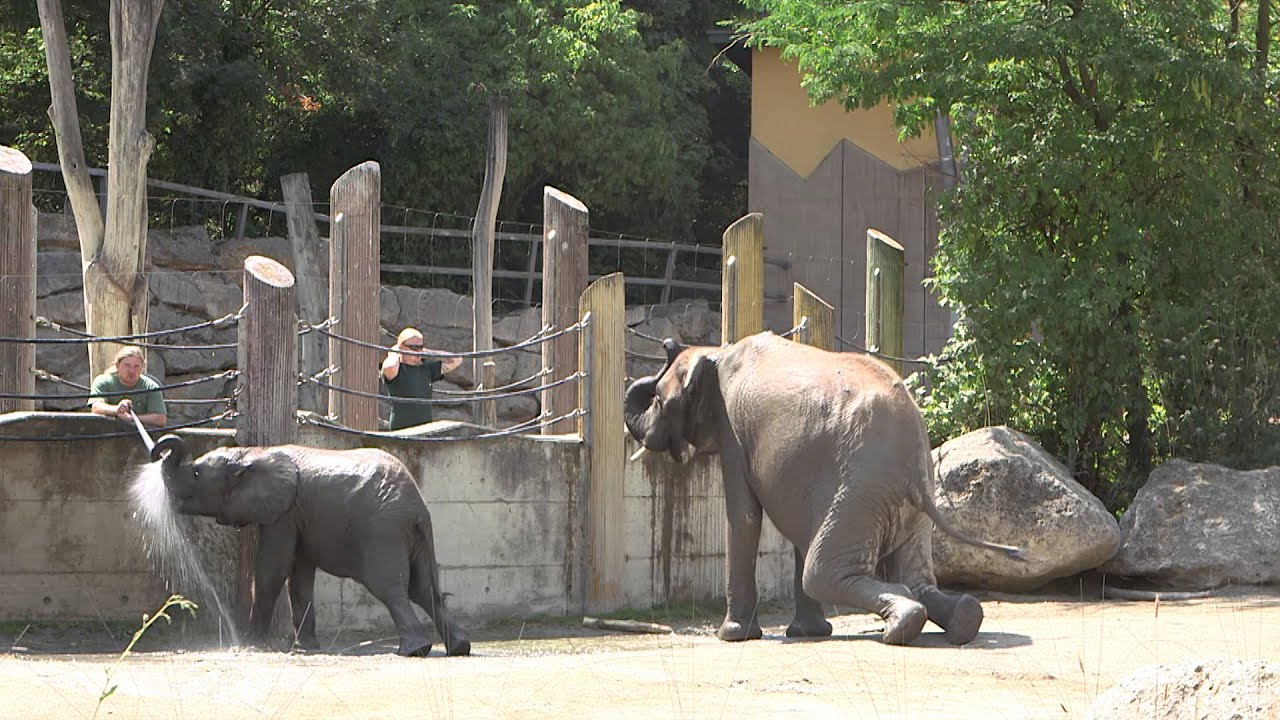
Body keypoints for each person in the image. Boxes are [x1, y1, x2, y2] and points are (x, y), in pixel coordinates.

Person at [381, 327, 462, 430]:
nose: (418, 351)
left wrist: (427, 351)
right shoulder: (397, 369)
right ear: (402, 347)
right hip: (400, 431)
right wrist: (394, 351)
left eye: (421, 347)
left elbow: (457, 360)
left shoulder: (426, 368)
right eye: (414, 347)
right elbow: (389, 366)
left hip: (425, 432)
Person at [88, 346, 167, 428]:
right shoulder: (103, 382)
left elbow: (160, 419)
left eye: (136, 366)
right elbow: (96, 407)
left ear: (142, 368)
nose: (132, 371)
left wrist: (132, 418)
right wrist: (116, 410)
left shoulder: (151, 387)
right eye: (127, 365)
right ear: (117, 365)